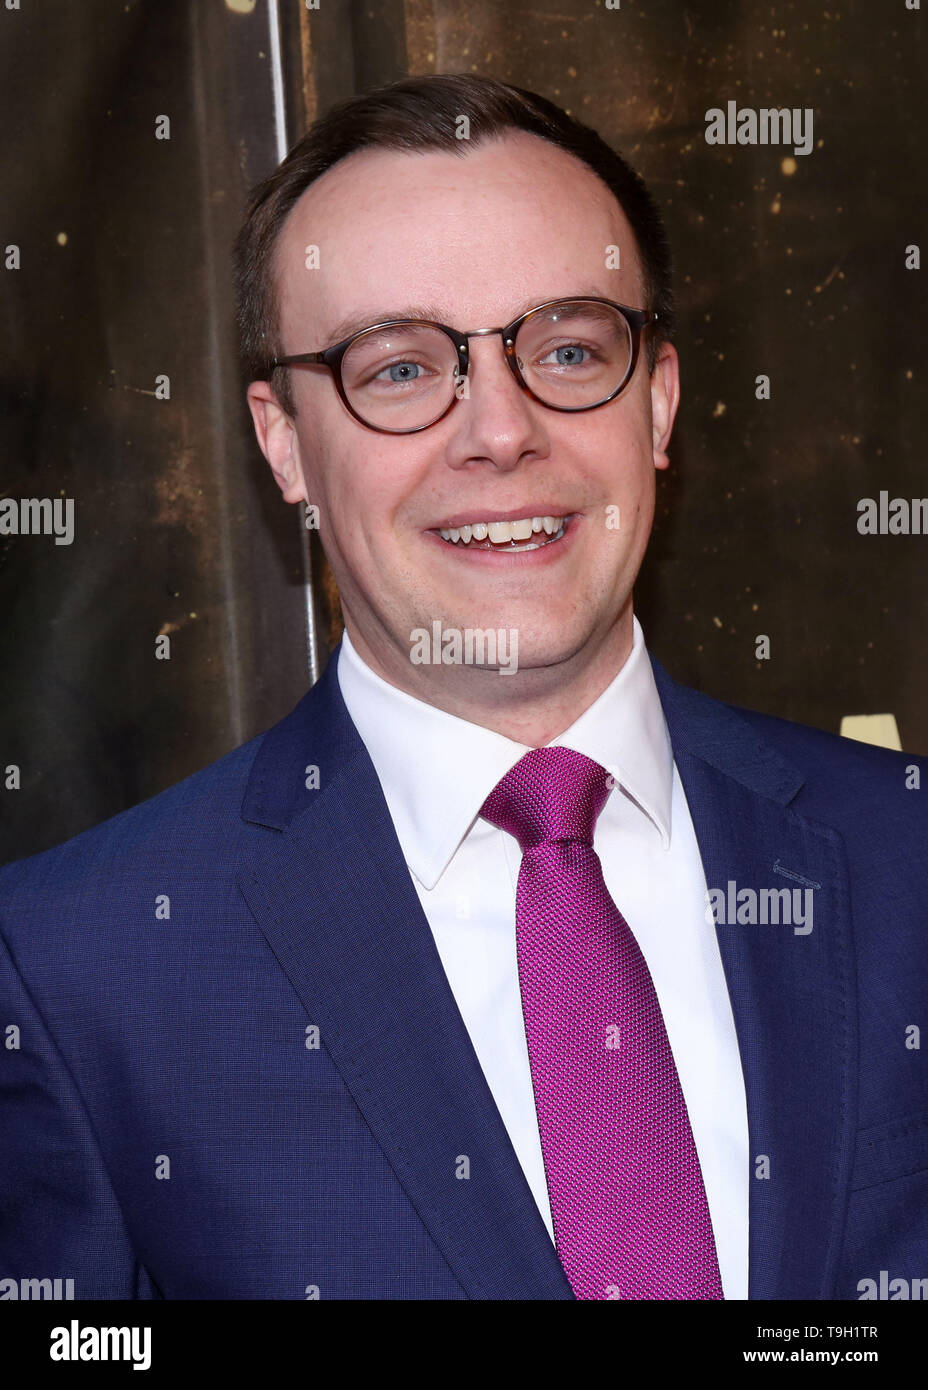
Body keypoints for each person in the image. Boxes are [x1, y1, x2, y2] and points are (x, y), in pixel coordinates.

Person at [1, 73, 925, 1303]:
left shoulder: (904, 856)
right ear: (283, 442)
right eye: (397, 368)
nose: (499, 429)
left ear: (658, 403)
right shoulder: (80, 972)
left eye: (568, 348)